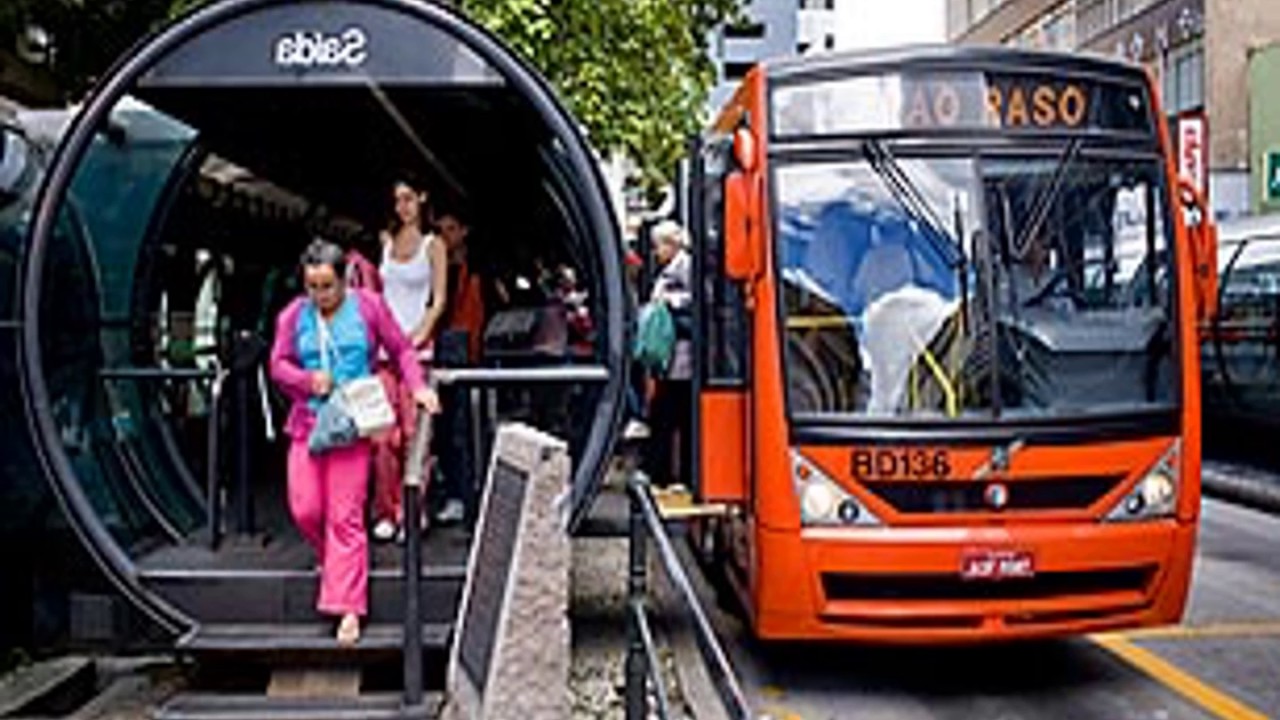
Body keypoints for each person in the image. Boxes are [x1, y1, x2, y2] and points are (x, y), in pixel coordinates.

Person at [269, 239, 440, 645]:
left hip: (352, 424)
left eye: (327, 286)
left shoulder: (369, 307)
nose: (320, 296)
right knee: (305, 508)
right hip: (308, 424)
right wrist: (306, 380)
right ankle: (336, 568)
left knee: (344, 515)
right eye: (312, 286)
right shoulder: (293, 316)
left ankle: (347, 607)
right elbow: (277, 364)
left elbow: (401, 349)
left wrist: (417, 387)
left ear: (344, 280)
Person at [371, 178, 448, 543]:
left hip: (418, 350)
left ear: (422, 198)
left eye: (407, 198)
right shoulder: (385, 244)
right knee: (384, 434)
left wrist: (419, 333)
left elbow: (439, 299)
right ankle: (387, 509)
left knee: (416, 434)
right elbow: (377, 295)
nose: (402, 207)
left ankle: (412, 511)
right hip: (385, 351)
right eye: (396, 200)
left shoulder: (434, 245)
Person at [432, 209, 486, 525]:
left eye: (450, 229)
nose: (444, 236)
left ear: (464, 231)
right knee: (448, 431)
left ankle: (461, 494)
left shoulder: (473, 273)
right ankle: (456, 491)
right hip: (446, 355)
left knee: (460, 431)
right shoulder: (447, 271)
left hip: (463, 357)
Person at [642, 220, 693, 488]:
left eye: (658, 245)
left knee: (670, 417)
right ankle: (665, 473)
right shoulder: (667, 270)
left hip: (682, 361)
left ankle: (666, 473)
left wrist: (670, 302)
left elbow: (698, 299)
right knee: (668, 417)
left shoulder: (685, 266)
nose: (655, 251)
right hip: (671, 361)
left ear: (672, 244)